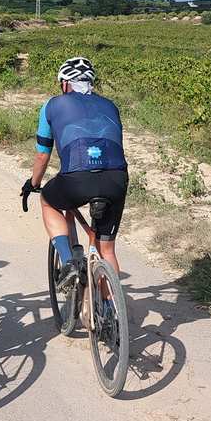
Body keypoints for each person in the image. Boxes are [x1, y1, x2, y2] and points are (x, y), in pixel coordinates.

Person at [21, 56, 128, 291]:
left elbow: (42, 156)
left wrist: (33, 183)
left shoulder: (52, 105)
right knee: (107, 249)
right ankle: (110, 308)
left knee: (48, 201)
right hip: (116, 179)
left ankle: (68, 261)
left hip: (76, 179)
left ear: (64, 83)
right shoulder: (110, 105)